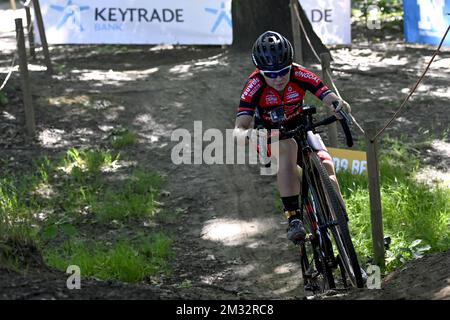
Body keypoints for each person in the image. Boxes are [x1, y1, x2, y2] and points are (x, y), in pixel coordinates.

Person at [233, 31, 351, 243]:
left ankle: (342, 226)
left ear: (291, 66)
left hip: (300, 124)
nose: (278, 78)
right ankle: (294, 218)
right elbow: (240, 126)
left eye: (283, 72)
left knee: (326, 165)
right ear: (260, 71)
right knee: (287, 147)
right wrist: (245, 135)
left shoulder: (300, 74)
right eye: (271, 74)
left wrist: (339, 105)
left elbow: (327, 96)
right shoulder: (254, 85)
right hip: (270, 132)